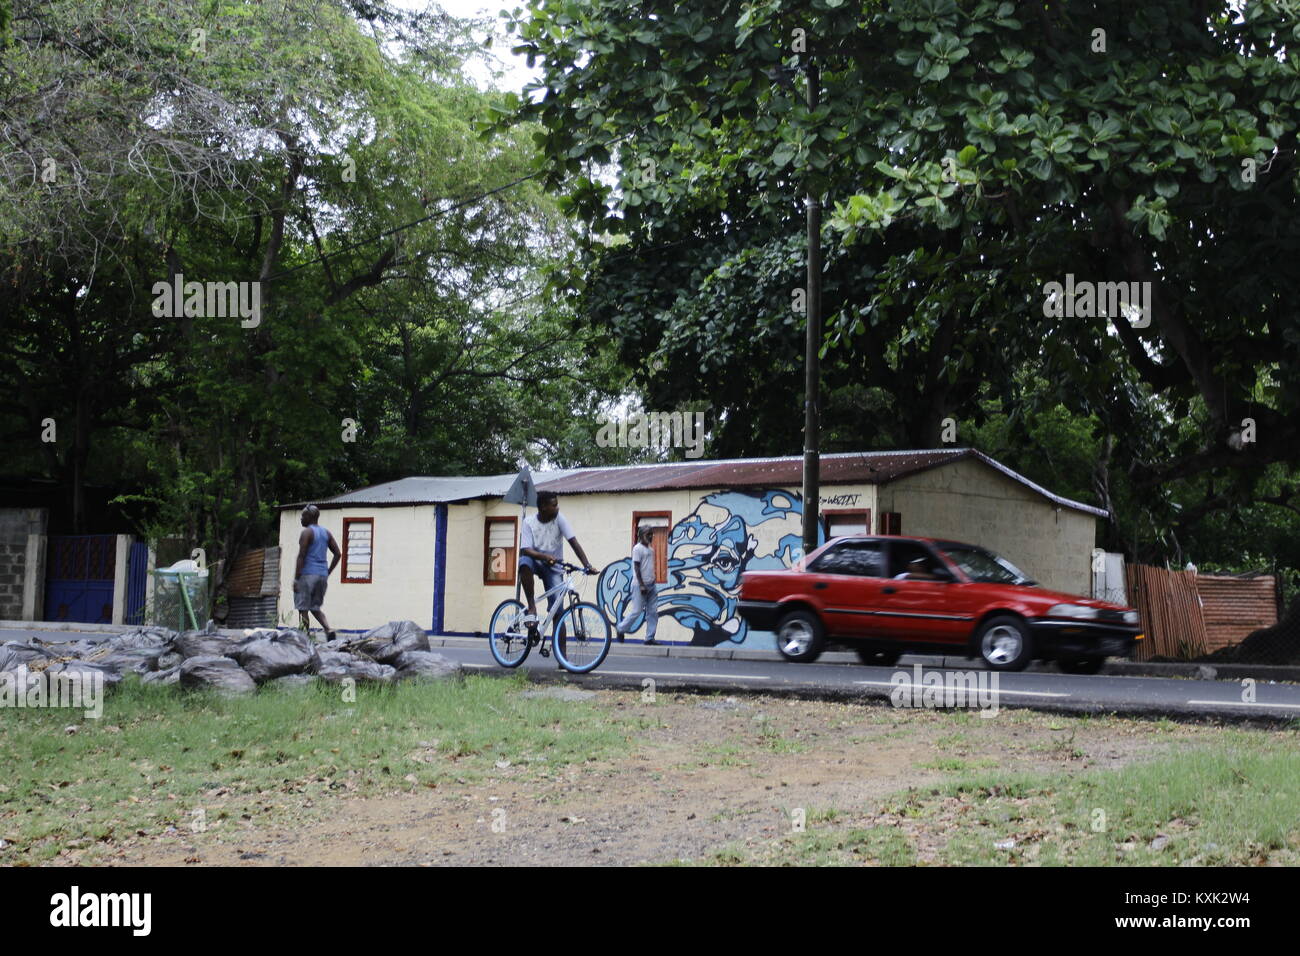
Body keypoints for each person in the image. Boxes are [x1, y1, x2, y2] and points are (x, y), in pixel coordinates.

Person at [518, 491, 596, 625]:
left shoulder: (559, 518)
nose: (557, 508)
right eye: (554, 505)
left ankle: (560, 647)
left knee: (558, 613)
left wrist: (587, 565)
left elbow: (574, 543)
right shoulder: (528, 522)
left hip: (554, 567)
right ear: (543, 507)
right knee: (524, 562)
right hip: (536, 561)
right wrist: (544, 556)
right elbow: (526, 549)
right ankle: (532, 606)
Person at [294, 505, 341, 641]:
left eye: (303, 516)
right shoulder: (326, 533)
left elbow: (301, 556)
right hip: (322, 576)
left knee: (303, 608)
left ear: (310, 517)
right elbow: (338, 554)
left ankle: (305, 638)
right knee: (315, 607)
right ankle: (328, 629)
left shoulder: (307, 532)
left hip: (307, 575)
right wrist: (327, 572)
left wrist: (296, 579)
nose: (301, 518)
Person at [616, 523, 659, 645]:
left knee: (653, 612)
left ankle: (649, 638)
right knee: (637, 611)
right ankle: (621, 628)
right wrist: (641, 585)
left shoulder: (651, 549)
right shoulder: (637, 548)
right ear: (641, 535)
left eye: (652, 534)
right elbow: (636, 566)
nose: (651, 536)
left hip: (651, 585)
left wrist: (652, 581)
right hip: (639, 585)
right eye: (648, 534)